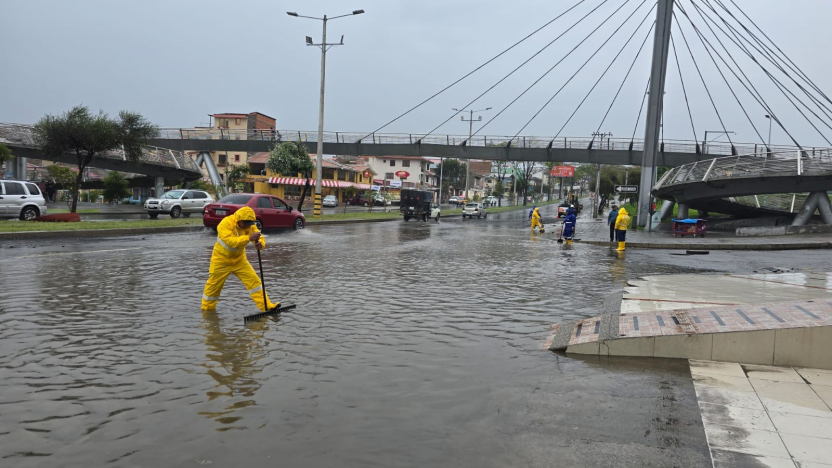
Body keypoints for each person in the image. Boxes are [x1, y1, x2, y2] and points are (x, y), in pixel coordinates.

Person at [201, 206, 279, 312]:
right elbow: (231, 242)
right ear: (239, 220)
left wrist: (260, 244)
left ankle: (267, 306)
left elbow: (258, 236)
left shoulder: (250, 224)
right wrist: (248, 238)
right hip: (221, 261)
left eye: (250, 224)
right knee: (213, 288)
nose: (248, 226)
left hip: (239, 260)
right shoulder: (225, 223)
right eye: (246, 224)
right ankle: (207, 311)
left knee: (255, 283)